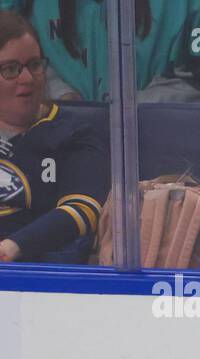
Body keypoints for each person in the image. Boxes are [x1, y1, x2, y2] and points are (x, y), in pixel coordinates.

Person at [0, 10, 104, 263]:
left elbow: (84, 209)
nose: (27, 78)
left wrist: (11, 247)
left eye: (34, 65)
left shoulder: (74, 133)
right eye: (11, 69)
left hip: (39, 270)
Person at [0, 0, 200, 102]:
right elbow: (7, 47)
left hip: (161, 141)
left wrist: (136, 106)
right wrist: (58, 92)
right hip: (56, 138)